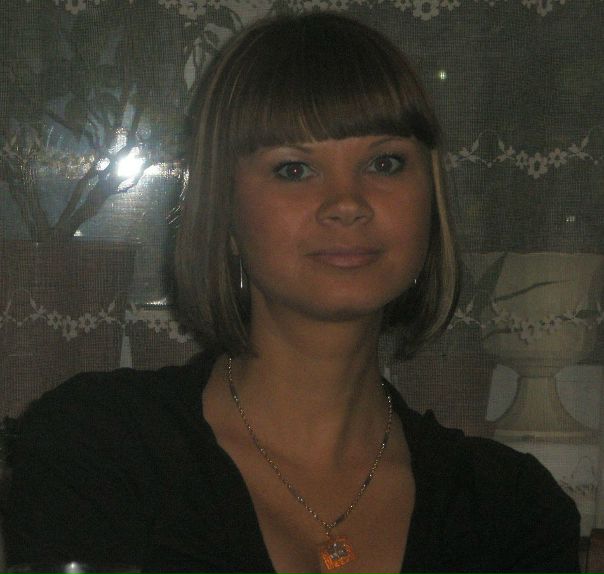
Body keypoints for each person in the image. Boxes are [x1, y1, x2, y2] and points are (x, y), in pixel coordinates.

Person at [3, 12, 580, 574]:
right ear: (224, 211)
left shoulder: (512, 509)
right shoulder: (101, 446)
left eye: (384, 162)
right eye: (294, 170)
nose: (348, 203)